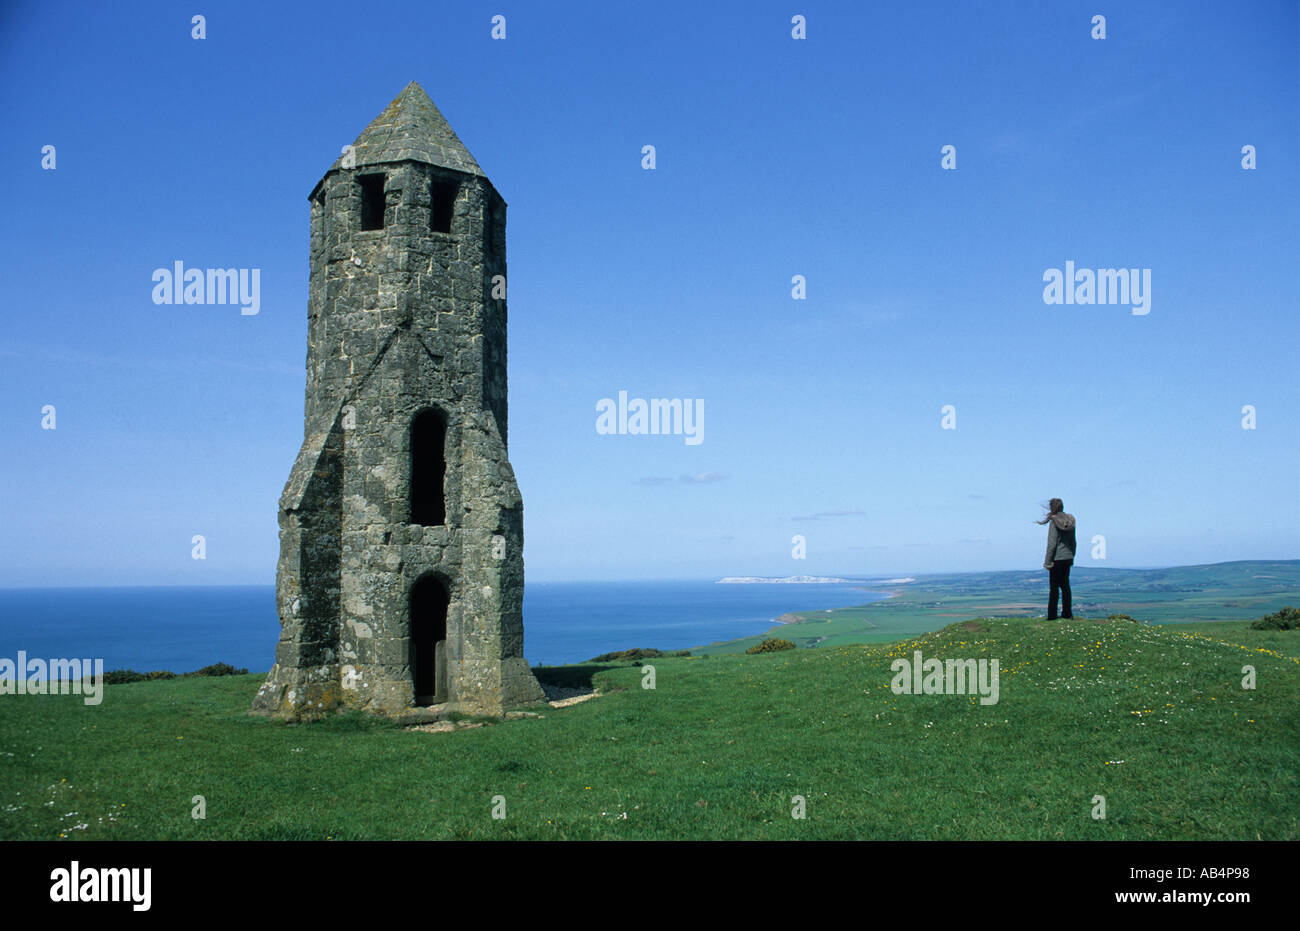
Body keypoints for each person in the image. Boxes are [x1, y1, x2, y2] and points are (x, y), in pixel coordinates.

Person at [1037, 498, 1076, 619]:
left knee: (1054, 588)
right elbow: (1073, 541)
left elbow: (1052, 544)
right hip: (1068, 557)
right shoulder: (1070, 520)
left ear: (1052, 507)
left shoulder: (1054, 521)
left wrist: (1047, 562)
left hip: (1057, 558)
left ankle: (1052, 615)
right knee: (1065, 586)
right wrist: (1072, 555)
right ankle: (1067, 614)